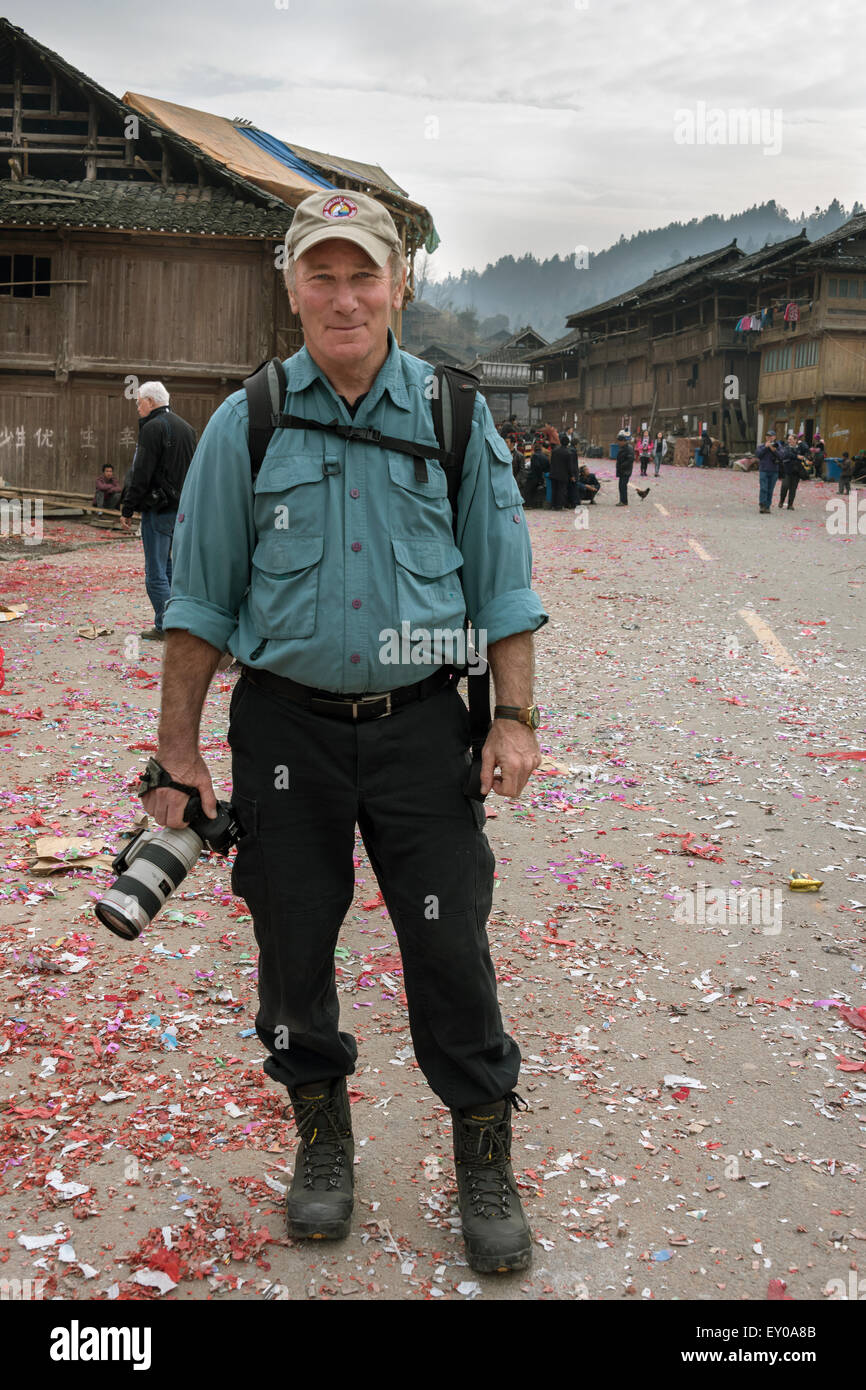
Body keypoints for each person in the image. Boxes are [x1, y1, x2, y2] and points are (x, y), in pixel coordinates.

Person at [145, 188, 549, 1275]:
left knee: (448, 942)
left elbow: (503, 588)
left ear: (400, 285)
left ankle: (481, 1153)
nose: (342, 296)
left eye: (361, 273)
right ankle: (320, 1137)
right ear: (291, 289)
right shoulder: (248, 419)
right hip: (284, 726)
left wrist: (510, 715)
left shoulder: (454, 417)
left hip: (422, 729)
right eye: (320, 275)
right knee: (290, 942)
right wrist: (176, 751)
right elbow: (200, 604)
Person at [120, 383, 197, 640]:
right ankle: (178, 621)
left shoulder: (152, 428)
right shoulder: (187, 428)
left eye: (139, 402)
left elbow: (141, 472)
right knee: (171, 568)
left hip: (158, 510)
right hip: (182, 510)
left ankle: (166, 626)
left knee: (155, 571)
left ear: (151, 402)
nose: (137, 407)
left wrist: (128, 507)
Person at [756, 429, 781, 512]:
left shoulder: (778, 446)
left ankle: (767, 506)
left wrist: (774, 450)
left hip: (774, 470)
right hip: (764, 470)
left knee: (770, 489)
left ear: (774, 437)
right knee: (763, 488)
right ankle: (762, 505)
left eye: (771, 436)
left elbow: (782, 456)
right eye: (767, 436)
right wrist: (766, 448)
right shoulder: (761, 446)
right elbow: (758, 455)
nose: (769, 438)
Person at [549, 432, 573, 510]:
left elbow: (551, 461)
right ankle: (559, 506)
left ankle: (553, 505)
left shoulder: (554, 450)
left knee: (554, 490)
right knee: (561, 490)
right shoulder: (568, 453)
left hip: (553, 473)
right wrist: (571, 475)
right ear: (568, 443)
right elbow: (569, 466)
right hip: (563, 475)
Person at [778, 432, 802, 509]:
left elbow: (806, 450)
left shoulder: (800, 448)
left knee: (793, 488)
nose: (789, 441)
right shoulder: (786, 447)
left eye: (791, 439)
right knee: (785, 486)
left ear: (796, 440)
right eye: (788, 439)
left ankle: (790, 504)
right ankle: (781, 501)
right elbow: (786, 454)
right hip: (787, 470)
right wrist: (797, 456)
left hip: (796, 471)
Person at [615, 430, 634, 504]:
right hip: (622, 470)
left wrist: (622, 465)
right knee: (621, 486)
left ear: (623, 441)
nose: (618, 443)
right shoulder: (622, 447)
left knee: (623, 486)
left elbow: (630, 459)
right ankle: (622, 500)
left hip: (626, 471)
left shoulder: (629, 448)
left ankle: (623, 501)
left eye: (619, 441)